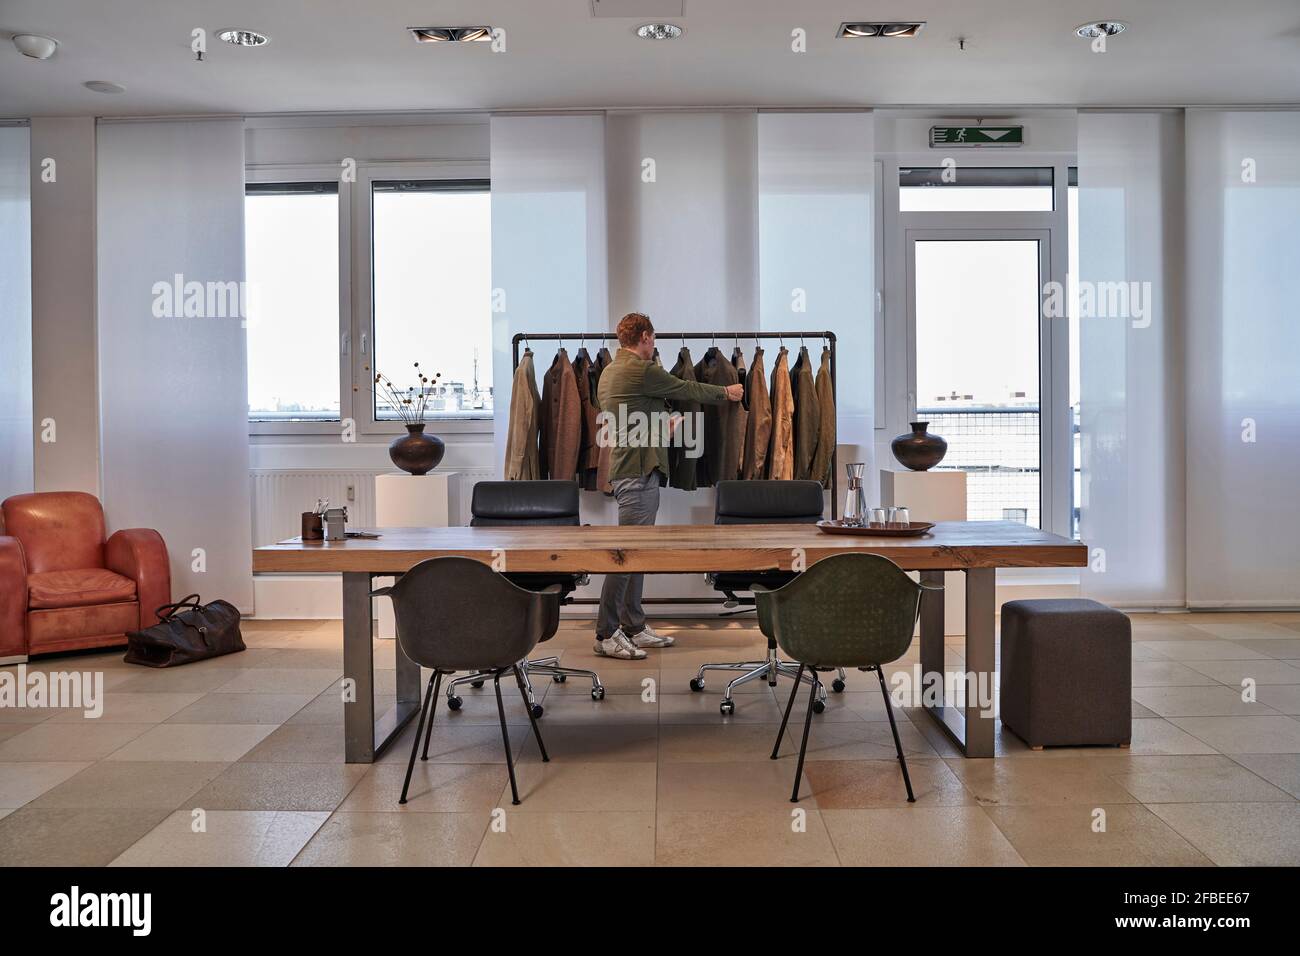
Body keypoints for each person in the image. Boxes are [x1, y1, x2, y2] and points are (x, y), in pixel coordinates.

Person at [593, 313, 744, 660]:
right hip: (637, 474)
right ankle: (605, 633)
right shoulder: (641, 370)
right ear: (644, 337)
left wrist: (661, 430)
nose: (655, 344)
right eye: (654, 338)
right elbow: (685, 389)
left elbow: (626, 421)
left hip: (632, 469)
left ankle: (632, 624)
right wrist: (727, 391)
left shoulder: (609, 372)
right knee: (624, 556)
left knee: (636, 555)